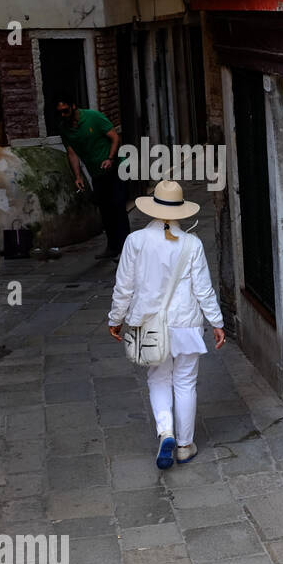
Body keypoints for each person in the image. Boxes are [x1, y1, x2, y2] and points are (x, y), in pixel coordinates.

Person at [107, 180, 226, 470]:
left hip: (149, 326)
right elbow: (204, 290)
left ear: (153, 209)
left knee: (158, 378)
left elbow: (124, 287)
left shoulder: (135, 241)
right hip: (186, 325)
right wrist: (217, 322)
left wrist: (115, 319)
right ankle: (185, 446)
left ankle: (166, 432)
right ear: (180, 211)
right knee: (186, 383)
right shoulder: (192, 244)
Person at [57, 96, 130, 259]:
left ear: (73, 106)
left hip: (116, 167)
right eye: (60, 113)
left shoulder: (93, 117)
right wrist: (78, 176)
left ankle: (126, 249)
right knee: (105, 210)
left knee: (118, 207)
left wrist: (110, 158)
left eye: (65, 111)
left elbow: (114, 137)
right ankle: (113, 246)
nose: (63, 115)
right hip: (96, 172)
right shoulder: (64, 128)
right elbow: (72, 153)